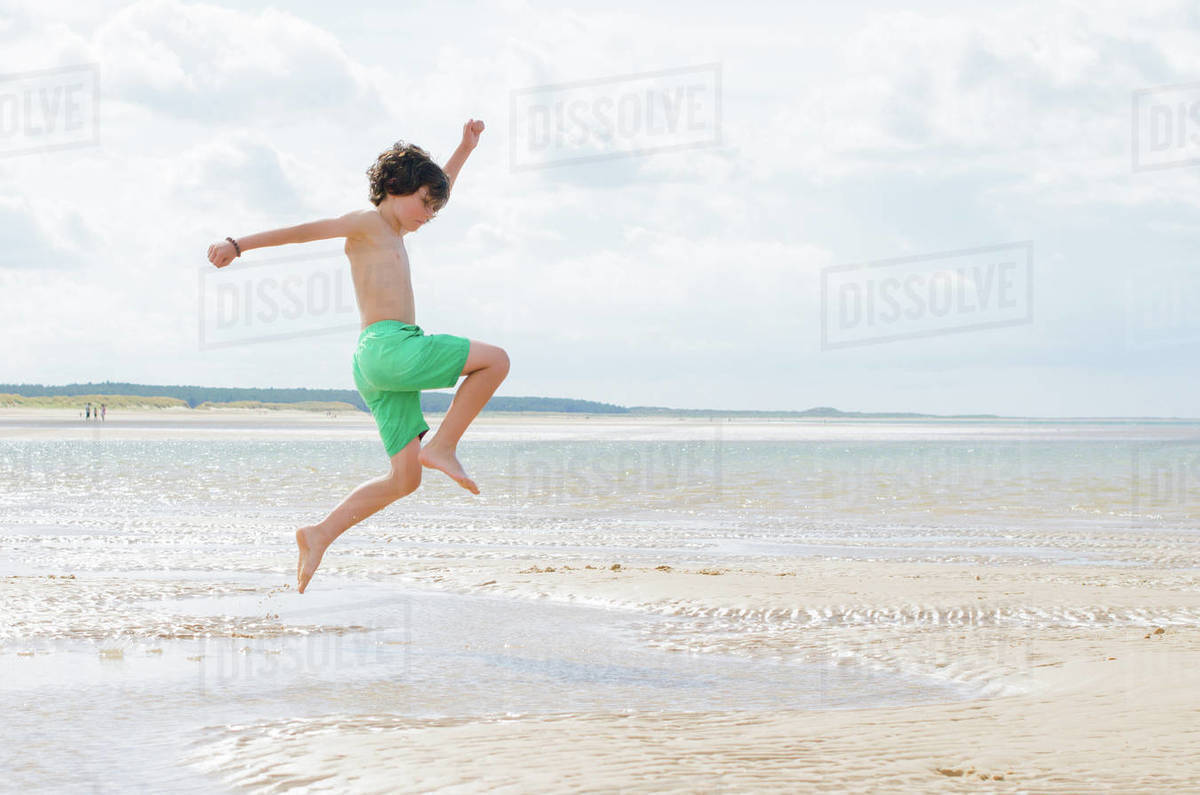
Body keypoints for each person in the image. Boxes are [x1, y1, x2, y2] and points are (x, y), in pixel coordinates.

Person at [206, 119, 509, 594]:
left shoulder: (396, 232)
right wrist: (237, 244)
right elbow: (302, 232)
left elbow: (440, 186)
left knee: (405, 479)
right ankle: (444, 446)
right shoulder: (366, 225)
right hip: (391, 348)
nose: (429, 214)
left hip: (376, 366)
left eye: (434, 207)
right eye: (424, 204)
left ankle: (319, 534)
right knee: (496, 361)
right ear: (394, 187)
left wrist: (465, 148)